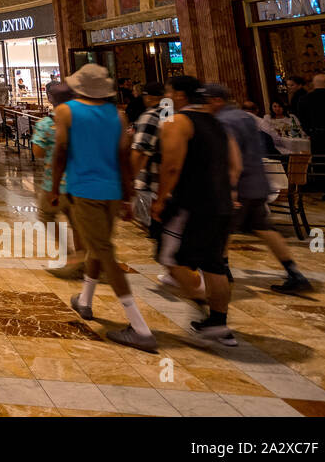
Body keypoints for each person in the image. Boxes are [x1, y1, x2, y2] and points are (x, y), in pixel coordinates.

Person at [52, 64, 155, 352]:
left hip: (84, 190)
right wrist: (127, 195)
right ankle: (85, 300)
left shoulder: (67, 111)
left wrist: (53, 187)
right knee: (98, 247)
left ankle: (140, 327)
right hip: (111, 192)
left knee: (104, 251)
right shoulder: (117, 115)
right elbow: (124, 156)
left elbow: (61, 152)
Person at [153, 76, 241, 344]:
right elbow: (236, 166)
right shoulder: (218, 124)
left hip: (191, 204)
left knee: (169, 257)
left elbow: (171, 166)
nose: (167, 97)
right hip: (221, 203)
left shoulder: (178, 122)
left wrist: (161, 198)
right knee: (214, 264)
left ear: (180, 95)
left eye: (169, 92)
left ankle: (199, 298)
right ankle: (218, 323)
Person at [205, 84, 311, 294]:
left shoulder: (224, 122)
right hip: (257, 182)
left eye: (206, 101)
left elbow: (229, 157)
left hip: (239, 185)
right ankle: (294, 273)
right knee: (264, 228)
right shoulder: (246, 117)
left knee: (220, 230)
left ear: (217, 100)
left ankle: (222, 273)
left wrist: (230, 188)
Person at [31, 81, 86, 278]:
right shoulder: (84, 122)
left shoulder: (47, 124)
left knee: (46, 215)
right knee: (77, 222)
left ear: (50, 99)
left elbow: (38, 152)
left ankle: (71, 256)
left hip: (55, 182)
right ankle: (82, 260)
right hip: (82, 181)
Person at [129, 82, 165, 234]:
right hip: (166, 182)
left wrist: (130, 178)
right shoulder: (170, 113)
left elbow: (140, 151)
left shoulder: (150, 116)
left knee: (152, 227)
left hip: (150, 180)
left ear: (148, 97)